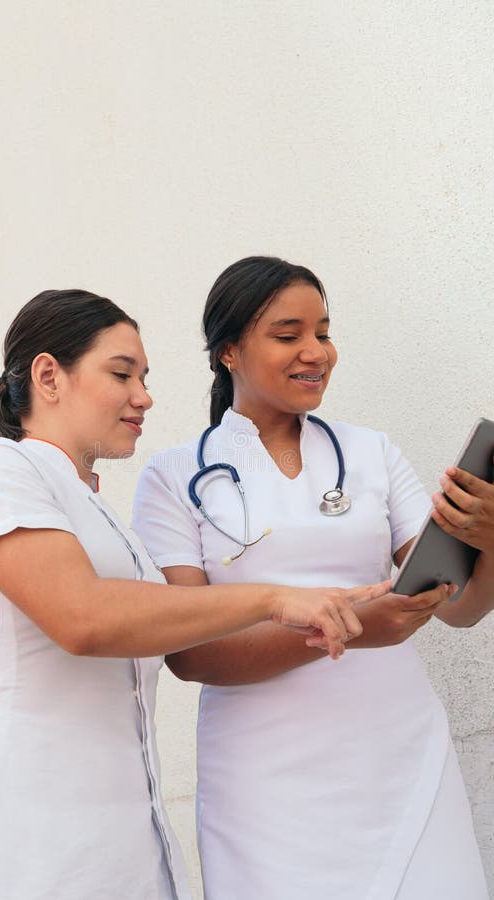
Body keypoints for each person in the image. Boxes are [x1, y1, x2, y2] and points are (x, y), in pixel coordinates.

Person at [0, 288, 390, 900]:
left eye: (144, 376)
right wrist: (273, 598)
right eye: (122, 373)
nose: (144, 396)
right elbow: (83, 618)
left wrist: (337, 611)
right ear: (48, 376)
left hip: (122, 838)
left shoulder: (97, 512)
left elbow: (168, 623)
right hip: (26, 838)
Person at [132, 258, 493, 900]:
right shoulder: (173, 476)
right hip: (265, 784)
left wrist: (487, 540)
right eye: (288, 334)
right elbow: (191, 654)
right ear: (229, 352)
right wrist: (354, 633)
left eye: (323, 332)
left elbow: (459, 609)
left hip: (400, 753)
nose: (315, 352)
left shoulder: (371, 453)